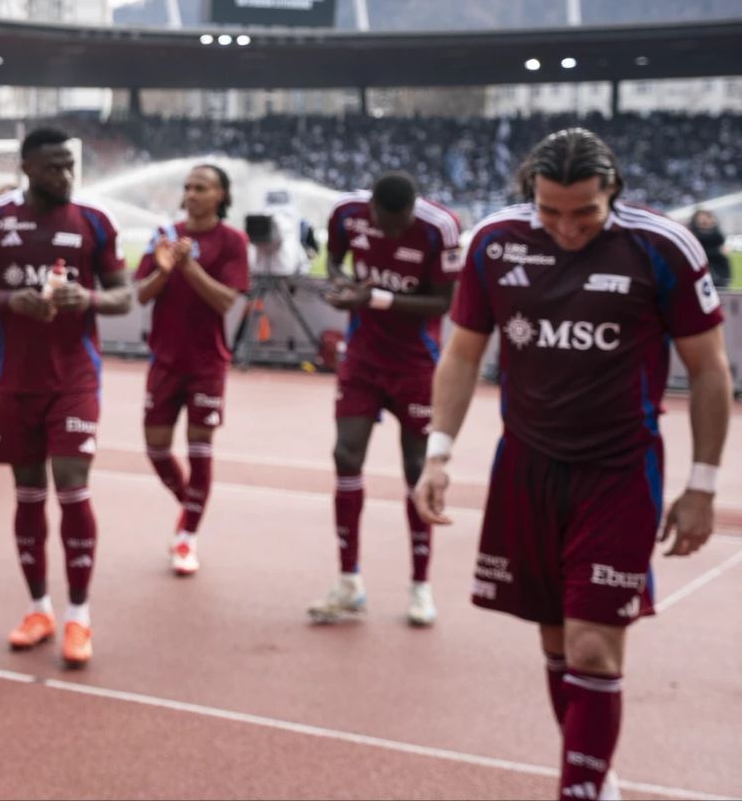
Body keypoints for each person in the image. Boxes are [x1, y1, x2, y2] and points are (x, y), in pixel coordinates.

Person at [415, 128, 730, 801]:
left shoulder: (663, 247)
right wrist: (437, 454)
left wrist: (701, 485)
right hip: (526, 468)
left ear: (612, 191)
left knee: (592, 649)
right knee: (558, 647)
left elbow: (709, 371)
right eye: (550, 211)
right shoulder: (495, 243)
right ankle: (593, 767)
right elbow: (464, 353)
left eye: (583, 212)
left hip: (619, 472)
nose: (565, 228)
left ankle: (577, 789)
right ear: (530, 193)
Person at [0, 129, 131, 667]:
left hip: (75, 380)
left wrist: (86, 296)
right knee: (27, 495)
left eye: (70, 165)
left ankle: (79, 618)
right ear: (27, 167)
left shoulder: (94, 222)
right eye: (54, 167)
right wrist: (8, 300)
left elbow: (125, 295)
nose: (65, 175)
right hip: (17, 383)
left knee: (72, 487)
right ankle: (39, 608)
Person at [307, 171, 461, 627]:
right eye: (385, 224)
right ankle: (349, 582)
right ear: (371, 208)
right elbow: (334, 263)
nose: (393, 233)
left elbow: (441, 304)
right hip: (363, 357)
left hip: (417, 363)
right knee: (345, 454)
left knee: (416, 469)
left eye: (401, 224)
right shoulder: (346, 213)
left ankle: (420, 587)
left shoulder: (441, 228)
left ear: (413, 210)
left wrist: (373, 297)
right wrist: (341, 288)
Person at [135, 164, 250, 577]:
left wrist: (189, 268)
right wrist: (164, 270)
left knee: (200, 448)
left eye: (201, 187)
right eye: (187, 187)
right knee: (156, 448)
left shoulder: (232, 241)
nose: (192, 193)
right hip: (164, 359)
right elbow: (141, 294)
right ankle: (191, 505)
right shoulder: (164, 235)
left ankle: (188, 537)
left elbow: (225, 302)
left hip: (206, 363)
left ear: (220, 194)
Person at [689, 209, 730, 289]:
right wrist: (718, 251)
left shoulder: (716, 233)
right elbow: (700, 254)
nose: (704, 220)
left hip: (719, 272)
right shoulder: (692, 234)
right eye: (701, 218)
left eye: (706, 217)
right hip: (701, 273)